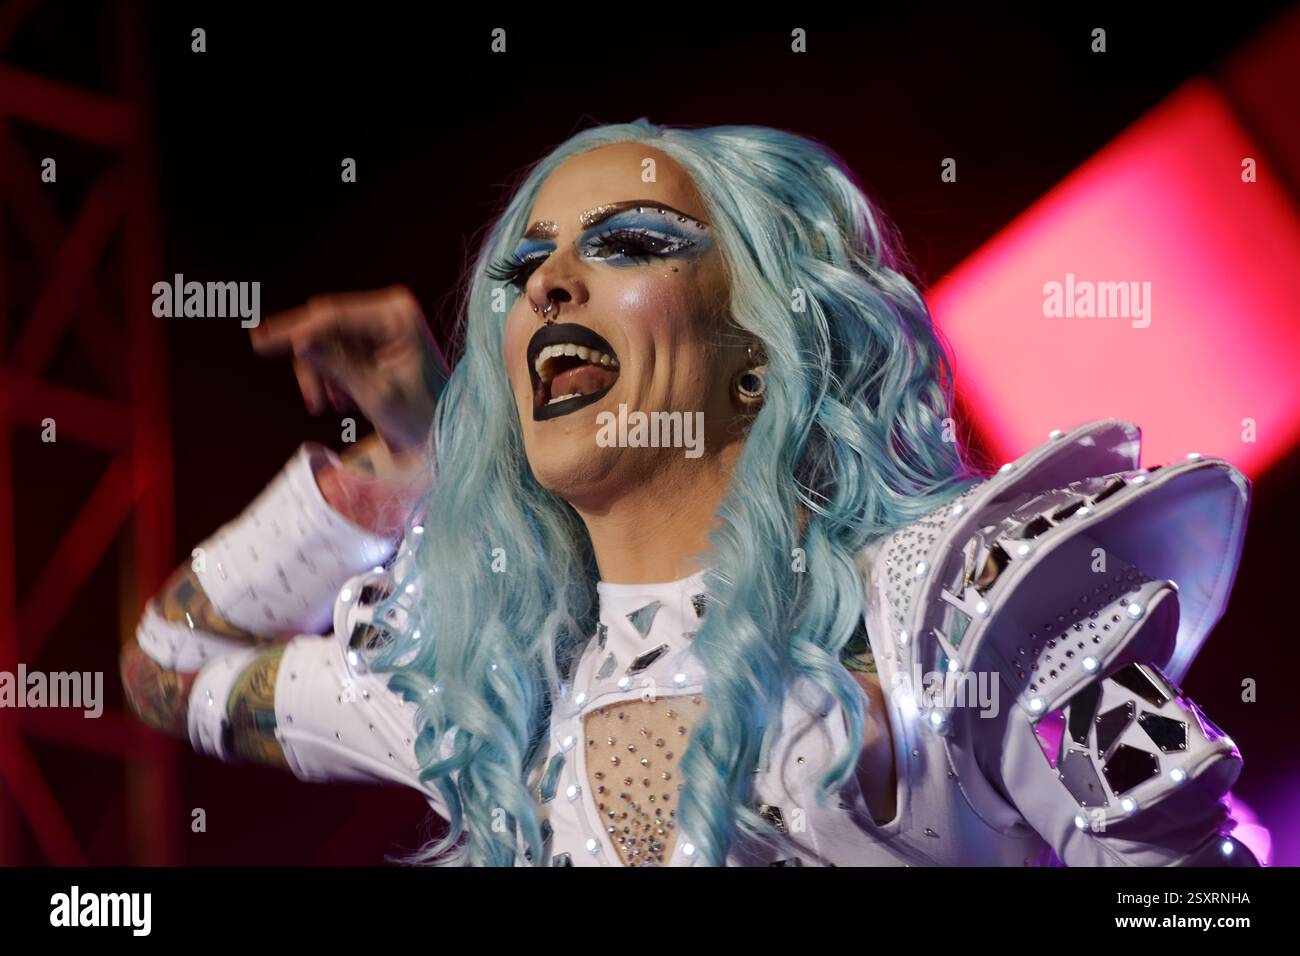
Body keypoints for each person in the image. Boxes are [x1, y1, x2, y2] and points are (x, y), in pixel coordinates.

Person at [121, 119, 1259, 867]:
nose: (550, 282)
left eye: (628, 243)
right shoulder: (485, 699)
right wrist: (419, 459)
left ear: (760, 343)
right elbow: (167, 661)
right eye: (525, 267)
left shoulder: (957, 608)